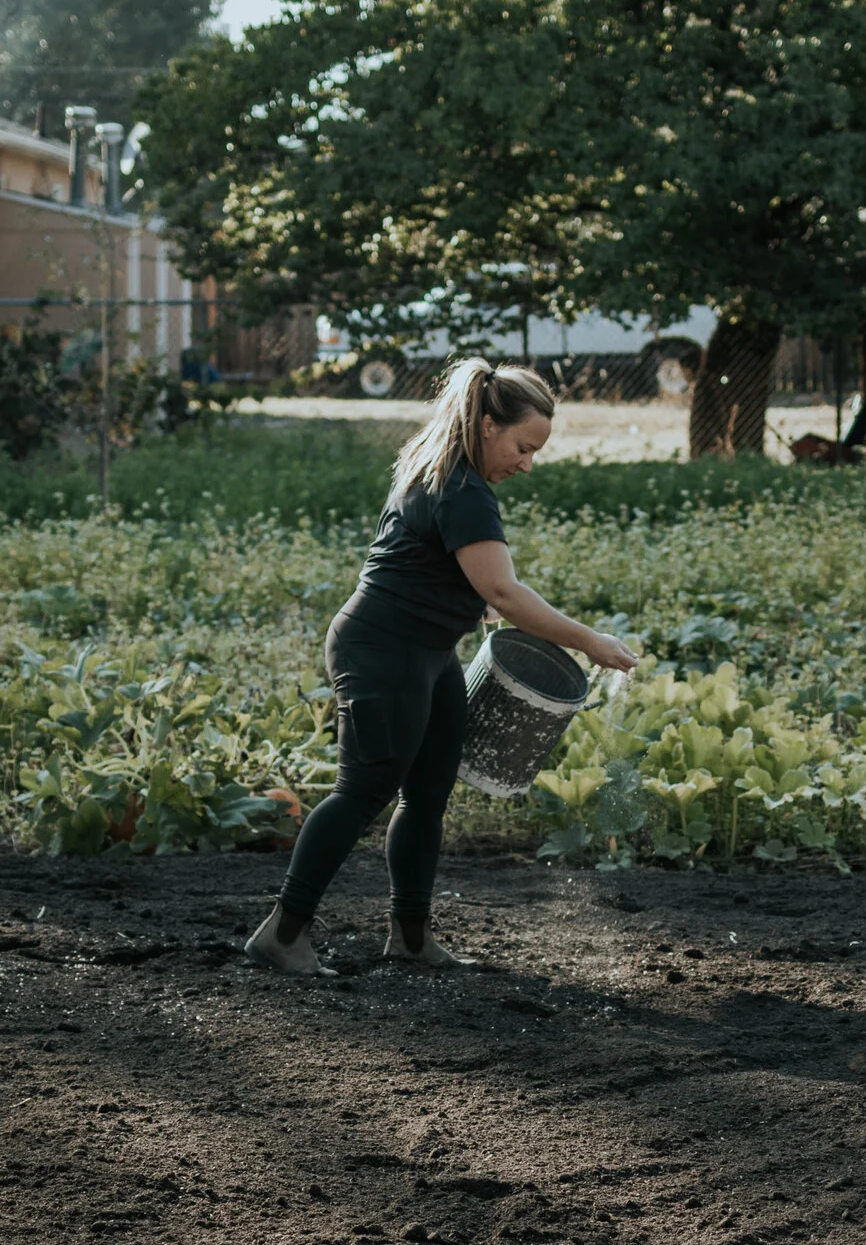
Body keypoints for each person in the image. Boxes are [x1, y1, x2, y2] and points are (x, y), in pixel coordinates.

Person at [247, 359, 636, 976]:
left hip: (429, 652)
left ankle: (411, 939)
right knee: (361, 792)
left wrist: (462, 598)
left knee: (427, 797)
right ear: (487, 425)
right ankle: (282, 933)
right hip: (383, 652)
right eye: (523, 447)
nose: (527, 464)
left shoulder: (446, 474)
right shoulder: (461, 489)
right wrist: (590, 641)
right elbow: (505, 592)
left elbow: (439, 566)